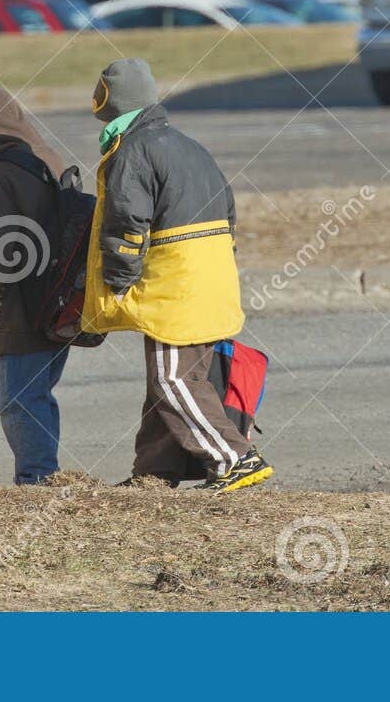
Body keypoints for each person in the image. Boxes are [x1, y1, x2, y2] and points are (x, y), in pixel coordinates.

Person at [81, 58, 273, 494]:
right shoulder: (186, 144)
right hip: (209, 278)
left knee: (172, 378)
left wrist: (119, 277)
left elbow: (128, 223)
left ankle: (235, 458)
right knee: (169, 379)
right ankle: (155, 473)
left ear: (110, 104)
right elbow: (229, 211)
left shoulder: (132, 150)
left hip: (175, 285)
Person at [0, 83, 72, 485]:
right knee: (39, 393)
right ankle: (43, 473)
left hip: (20, 308)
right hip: (60, 301)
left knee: (19, 399)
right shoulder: (49, 159)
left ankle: (37, 477)